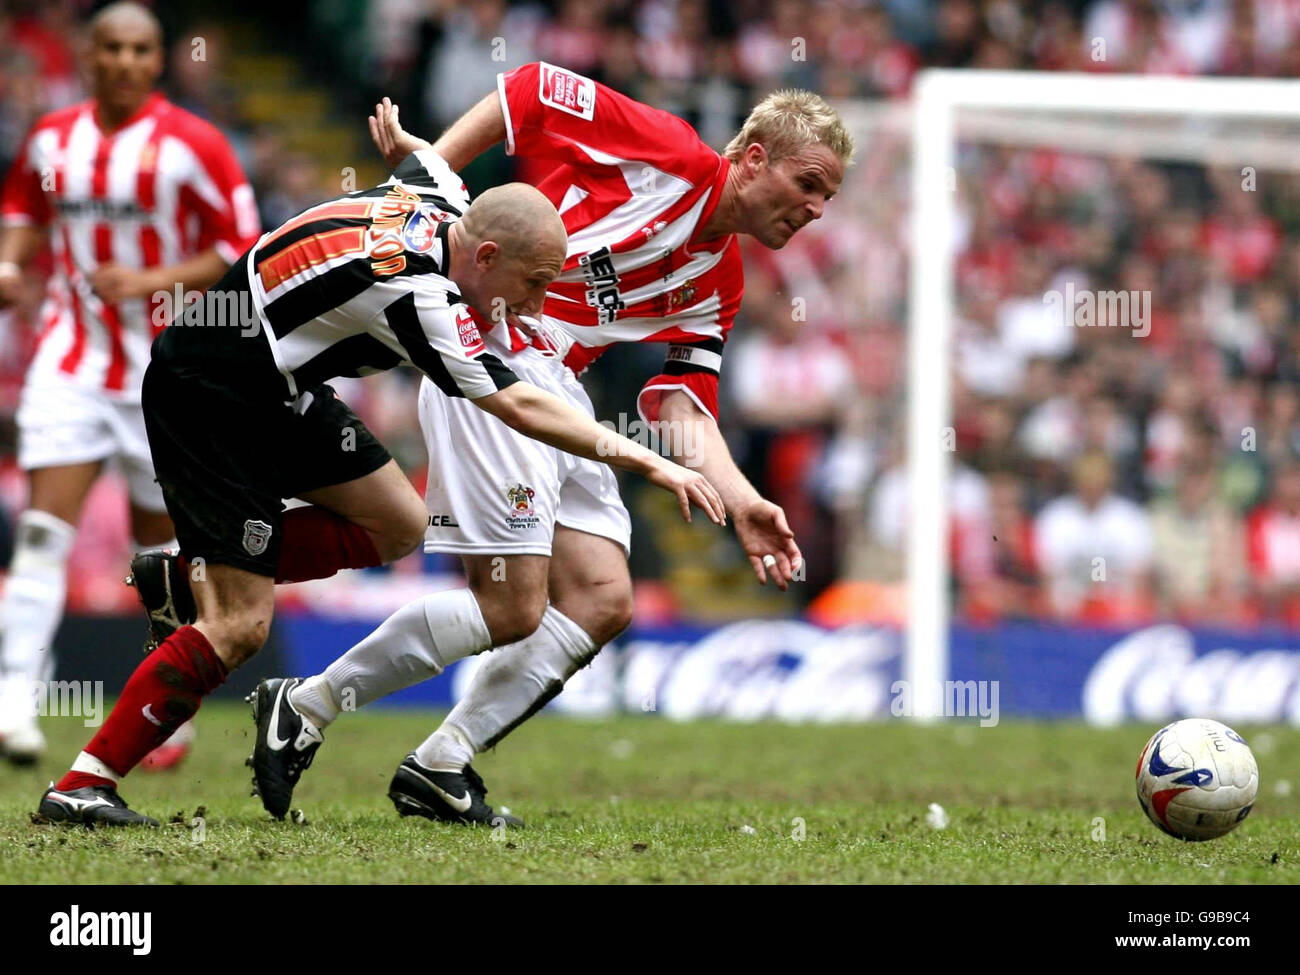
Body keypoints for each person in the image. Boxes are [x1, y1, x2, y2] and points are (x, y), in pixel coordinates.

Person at [238, 62, 853, 826]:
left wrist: (742, 495)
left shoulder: (720, 279)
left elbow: (677, 402)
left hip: (559, 388)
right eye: (809, 183)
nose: (818, 207)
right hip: (492, 358)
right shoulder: (667, 152)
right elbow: (530, 90)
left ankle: (440, 764)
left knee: (602, 598)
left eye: (828, 196)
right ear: (754, 157)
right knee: (513, 603)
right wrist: (422, 179)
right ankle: (305, 705)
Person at [36, 147, 724, 827]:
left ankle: (185, 584)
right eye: (534, 283)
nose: (536, 306)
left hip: (279, 386)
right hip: (211, 398)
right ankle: (84, 781)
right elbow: (519, 406)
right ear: (485, 258)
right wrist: (652, 462)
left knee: (397, 521)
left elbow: (431, 159)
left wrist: (406, 141)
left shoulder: (434, 203)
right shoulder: (419, 294)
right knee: (240, 625)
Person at [0, 2, 259, 765]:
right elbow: (23, 206)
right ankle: (14, 700)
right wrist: (13, 263)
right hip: (71, 360)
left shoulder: (195, 144)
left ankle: (165, 713)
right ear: (89, 54)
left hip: (164, 376)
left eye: (138, 49)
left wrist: (150, 277)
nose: (121, 61)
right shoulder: (53, 138)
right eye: (108, 47)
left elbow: (240, 248)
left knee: (163, 559)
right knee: (45, 534)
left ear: (158, 60)